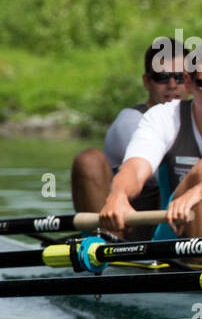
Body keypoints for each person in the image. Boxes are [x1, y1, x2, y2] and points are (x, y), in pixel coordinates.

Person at [99, 39, 202, 239]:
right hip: (171, 231)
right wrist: (118, 195)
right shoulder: (163, 117)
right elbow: (135, 166)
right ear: (188, 82)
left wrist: (195, 194)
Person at [70, 39, 190, 236]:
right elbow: (153, 170)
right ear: (146, 81)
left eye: (179, 77)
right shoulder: (130, 121)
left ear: (191, 80)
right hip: (129, 224)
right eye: (162, 77)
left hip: (179, 221)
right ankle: (105, 247)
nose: (172, 85)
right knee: (89, 158)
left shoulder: (201, 116)